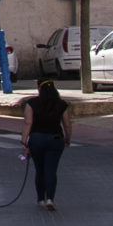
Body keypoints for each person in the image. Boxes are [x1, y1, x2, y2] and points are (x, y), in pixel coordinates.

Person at [19, 78, 74, 209]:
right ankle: (50, 199)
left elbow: (28, 123)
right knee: (51, 170)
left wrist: (24, 142)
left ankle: (40, 199)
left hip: (37, 139)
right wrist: (68, 139)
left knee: (40, 170)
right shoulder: (62, 104)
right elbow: (67, 124)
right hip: (56, 139)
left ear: (39, 89)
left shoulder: (31, 103)